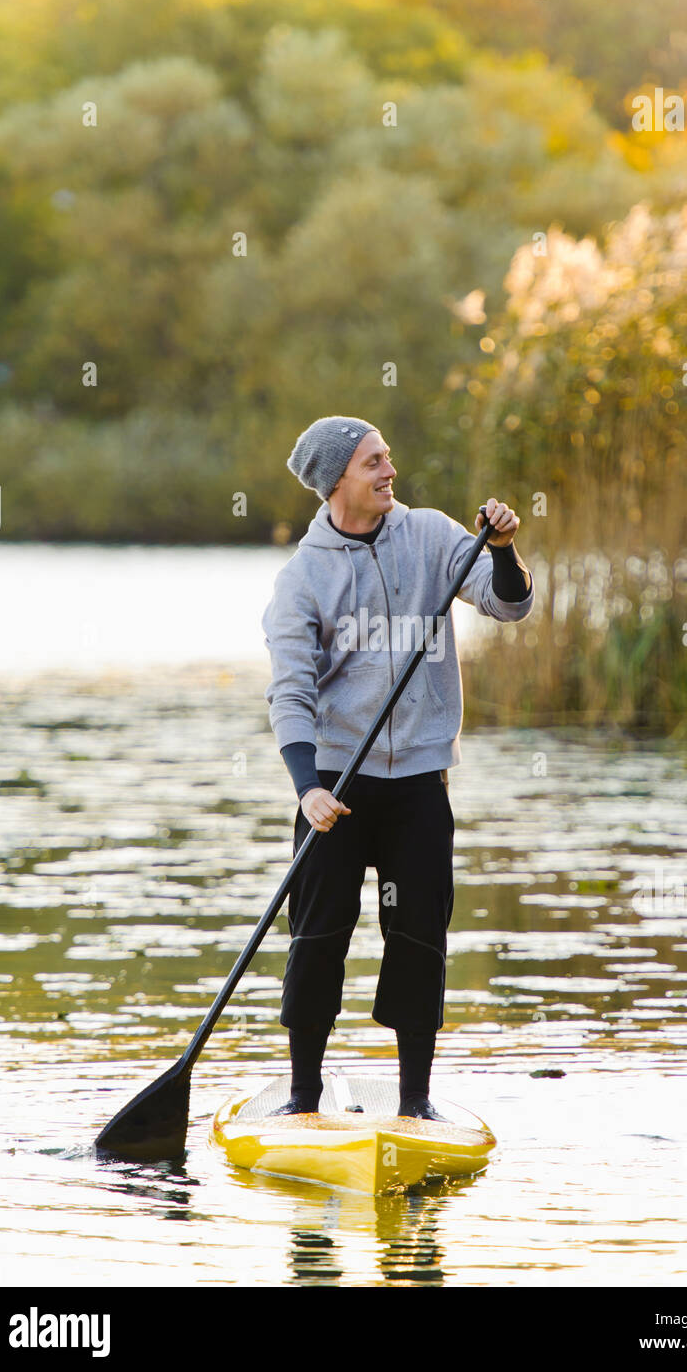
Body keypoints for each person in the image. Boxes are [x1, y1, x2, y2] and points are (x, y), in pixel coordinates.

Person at [261, 415, 534, 1119]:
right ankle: (301, 1100)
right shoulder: (303, 579)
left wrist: (503, 550)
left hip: (417, 786)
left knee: (418, 938)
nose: (389, 472)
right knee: (316, 940)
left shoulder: (436, 536)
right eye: (371, 463)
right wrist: (308, 788)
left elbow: (508, 605)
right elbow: (289, 692)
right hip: (336, 790)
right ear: (335, 482)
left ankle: (416, 1104)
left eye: (387, 457)